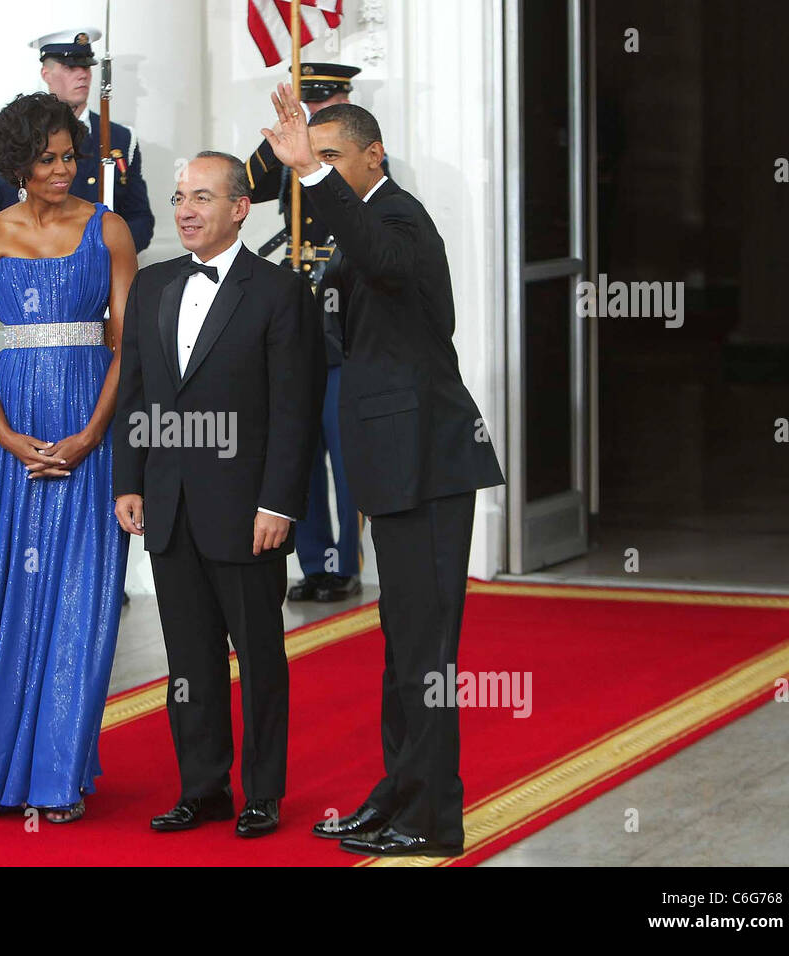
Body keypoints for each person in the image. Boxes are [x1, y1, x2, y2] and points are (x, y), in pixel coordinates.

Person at [261, 89, 505, 856]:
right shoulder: (359, 228)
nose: (319, 169)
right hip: (395, 466)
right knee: (404, 644)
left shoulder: (400, 219)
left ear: (376, 157)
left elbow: (380, 257)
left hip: (430, 464)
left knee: (426, 653)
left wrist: (313, 177)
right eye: (315, 156)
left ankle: (433, 819)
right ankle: (400, 793)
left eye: (333, 157)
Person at [113, 152, 324, 838]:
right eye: (179, 197)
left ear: (240, 208)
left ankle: (263, 792)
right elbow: (136, 392)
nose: (185, 210)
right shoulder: (150, 287)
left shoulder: (279, 292)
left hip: (248, 510)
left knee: (259, 657)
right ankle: (203, 787)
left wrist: (280, 504)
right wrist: (130, 480)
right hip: (170, 507)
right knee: (189, 662)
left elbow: (296, 409)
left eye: (202, 197)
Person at [0, 92, 135, 823]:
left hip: (90, 429)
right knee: (1, 591)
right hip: (7, 438)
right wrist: (4, 432)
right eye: (46, 158)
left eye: (69, 156)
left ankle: (58, 773)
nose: (61, 170)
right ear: (18, 163)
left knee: (81, 599)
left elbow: (126, 345)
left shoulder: (108, 230)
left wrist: (90, 435)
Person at [247, 62, 368, 605]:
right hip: (296, 320)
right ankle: (314, 560)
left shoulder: (357, 159)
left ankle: (346, 563)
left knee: (345, 457)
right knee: (300, 450)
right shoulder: (291, 158)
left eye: (324, 103)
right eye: (308, 102)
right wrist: (279, 139)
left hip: (343, 326)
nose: (315, 112)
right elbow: (245, 183)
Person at [0, 29, 154, 254]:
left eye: (85, 67)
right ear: (46, 74)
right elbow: (6, 206)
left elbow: (140, 218)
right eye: (70, 67)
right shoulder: (22, 134)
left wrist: (107, 247)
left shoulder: (120, 139)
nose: (82, 75)